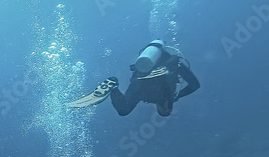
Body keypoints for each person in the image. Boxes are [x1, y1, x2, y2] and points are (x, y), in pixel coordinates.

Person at [68, 39, 200, 117]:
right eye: (167, 108)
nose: (166, 107)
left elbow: (195, 85)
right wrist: (176, 96)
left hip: (142, 79)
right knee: (124, 110)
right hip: (150, 79)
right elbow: (194, 84)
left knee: (124, 110)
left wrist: (178, 96)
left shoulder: (155, 96)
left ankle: (113, 86)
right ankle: (114, 88)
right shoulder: (168, 93)